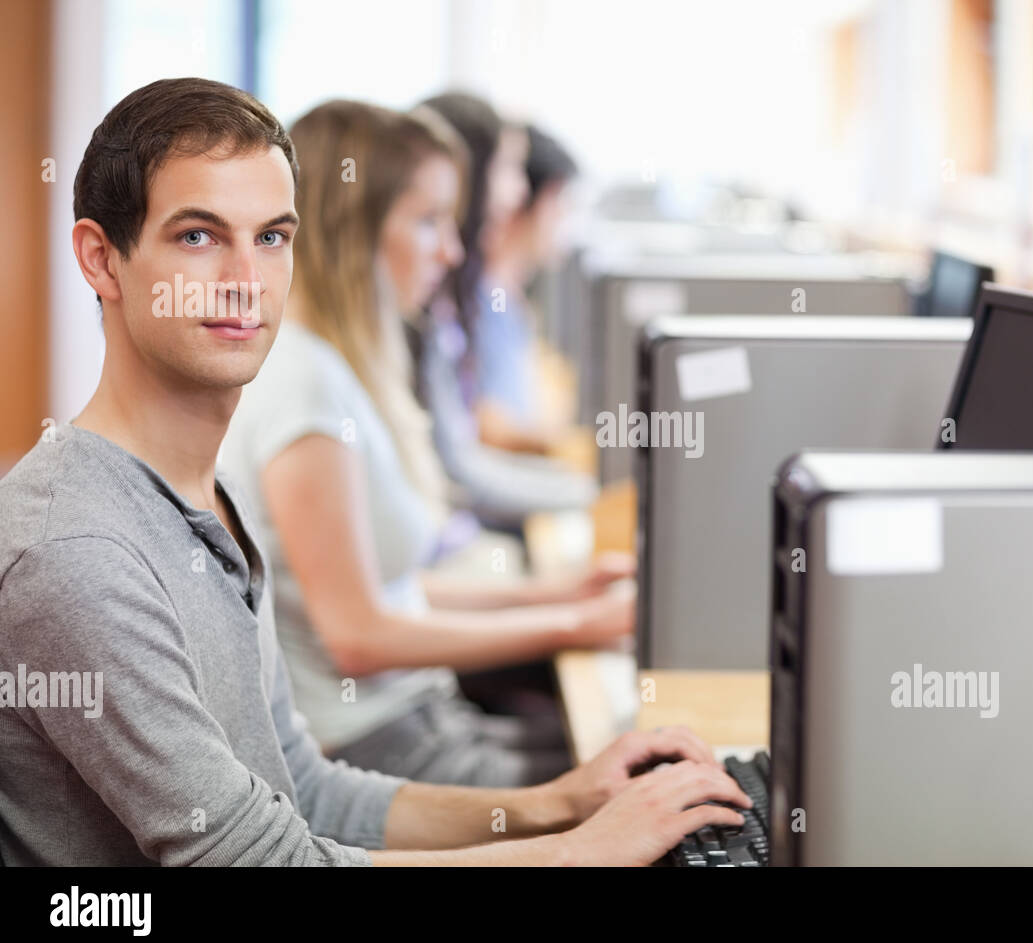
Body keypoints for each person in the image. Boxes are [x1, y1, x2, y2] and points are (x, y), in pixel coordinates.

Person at [0, 77, 749, 866]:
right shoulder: (76, 551)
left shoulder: (206, 498)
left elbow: (304, 792)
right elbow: (259, 863)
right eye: (197, 236)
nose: (245, 280)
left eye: (271, 238)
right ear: (101, 260)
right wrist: (577, 853)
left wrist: (560, 806)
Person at [222, 99, 632, 788]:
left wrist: (559, 595)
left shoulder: (337, 366)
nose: (454, 249)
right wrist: (571, 624)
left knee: (652, 761)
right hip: (374, 749)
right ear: (354, 230)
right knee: (652, 789)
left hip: (416, 718)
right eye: (428, 221)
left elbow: (398, 592)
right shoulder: (304, 385)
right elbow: (361, 636)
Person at [413, 92, 595, 528]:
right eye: (506, 168)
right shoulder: (435, 314)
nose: (517, 191)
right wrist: (588, 488)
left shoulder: (469, 303)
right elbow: (467, 454)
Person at [474, 124, 581, 439]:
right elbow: (488, 426)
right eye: (561, 201)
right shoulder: (483, 303)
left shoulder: (509, 301)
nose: (565, 219)